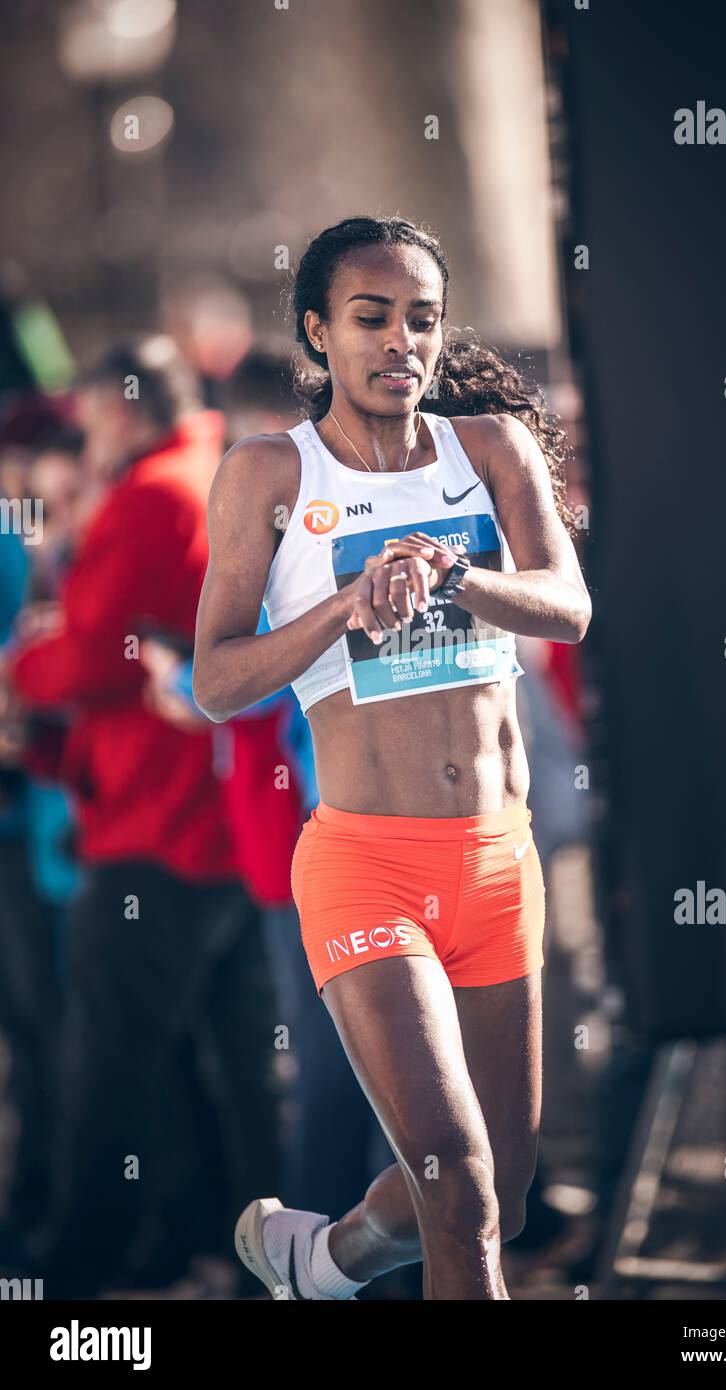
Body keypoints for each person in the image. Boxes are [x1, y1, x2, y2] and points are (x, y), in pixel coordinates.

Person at [193, 215, 591, 1301]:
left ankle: (317, 1258)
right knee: (454, 1188)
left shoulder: (490, 450)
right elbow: (217, 682)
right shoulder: (269, 470)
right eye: (369, 318)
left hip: (498, 863)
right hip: (366, 864)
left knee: (495, 1201)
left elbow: (566, 609)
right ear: (318, 331)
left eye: (421, 318)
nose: (399, 342)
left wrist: (457, 577)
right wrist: (342, 606)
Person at [1, 338, 282, 1296]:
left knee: (110, 1064)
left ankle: (76, 1263)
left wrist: (21, 667)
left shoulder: (156, 491)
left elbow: (96, 657)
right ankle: (243, 1253)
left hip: (157, 829)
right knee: (230, 1066)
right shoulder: (206, 471)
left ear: (119, 411)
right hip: (211, 820)